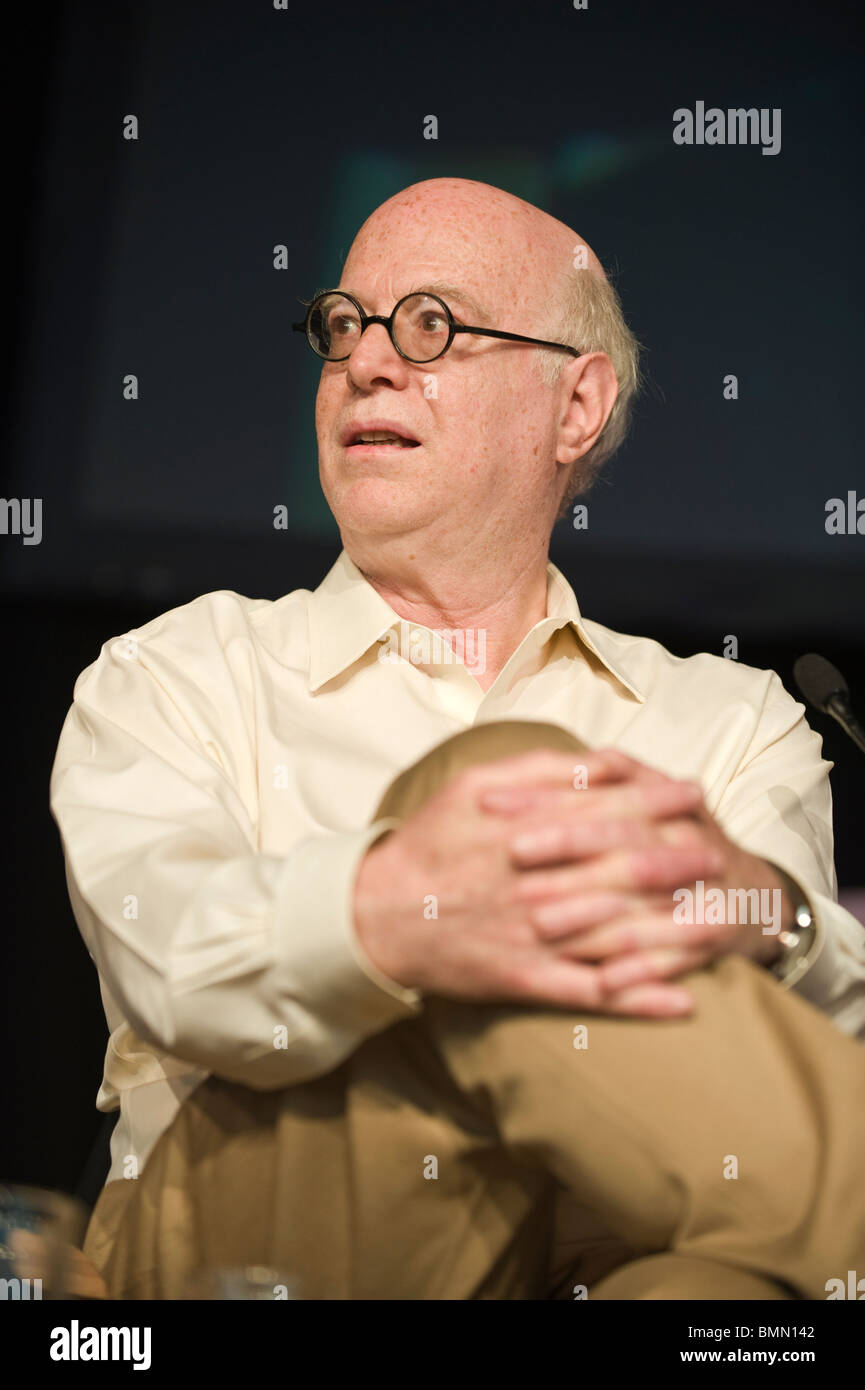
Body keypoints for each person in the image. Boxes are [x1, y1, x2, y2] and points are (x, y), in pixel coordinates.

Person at [50, 178, 865, 1300]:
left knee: (724, 1300)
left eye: (431, 324)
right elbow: (173, 965)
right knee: (500, 793)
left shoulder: (732, 722)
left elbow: (791, 1043)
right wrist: (411, 908)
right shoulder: (179, 672)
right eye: (344, 325)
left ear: (574, 406)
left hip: (624, 1247)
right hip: (266, 1233)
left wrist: (767, 920)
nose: (366, 362)